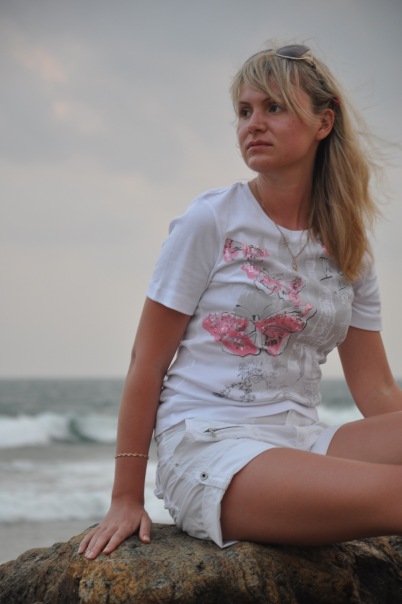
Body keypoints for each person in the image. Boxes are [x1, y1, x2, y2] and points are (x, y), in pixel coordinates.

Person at [79, 43, 402, 559]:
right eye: (245, 111)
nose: (254, 124)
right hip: (212, 449)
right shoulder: (211, 221)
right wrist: (125, 498)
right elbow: (148, 360)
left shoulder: (348, 246)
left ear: (323, 122)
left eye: (274, 107)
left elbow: (379, 389)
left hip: (304, 440)